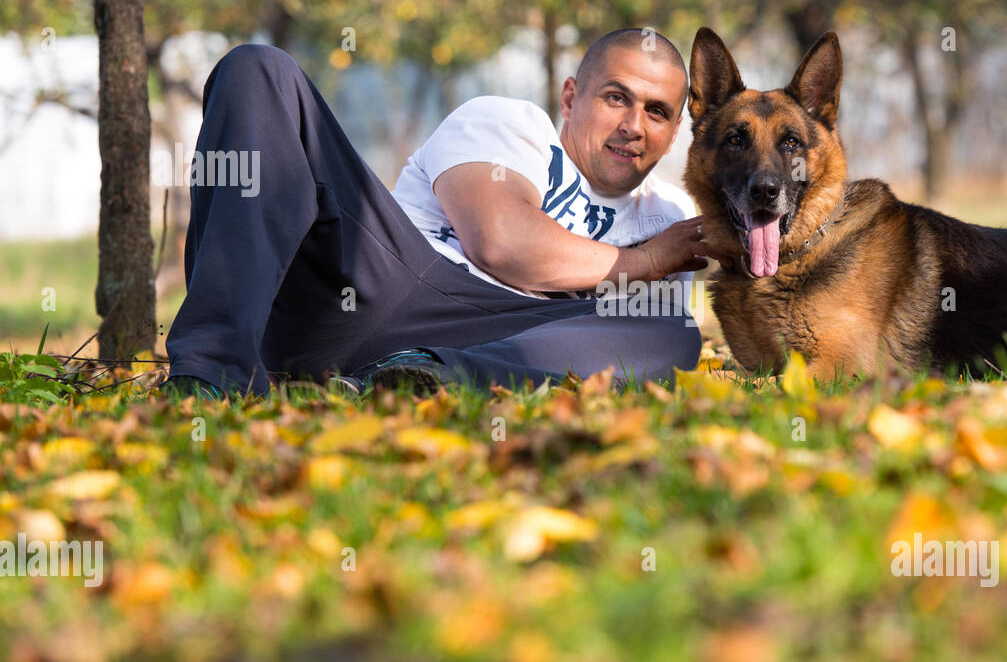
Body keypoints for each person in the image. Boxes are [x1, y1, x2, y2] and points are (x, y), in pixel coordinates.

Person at [162, 29, 710, 398]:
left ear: (673, 133)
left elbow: (636, 350)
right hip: (387, 279)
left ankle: (416, 379)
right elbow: (500, 243)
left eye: (657, 112)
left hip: (493, 341)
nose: (634, 125)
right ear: (571, 98)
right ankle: (211, 372)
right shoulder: (508, 122)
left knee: (673, 331)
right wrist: (651, 259)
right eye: (616, 97)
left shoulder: (671, 214)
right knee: (259, 68)